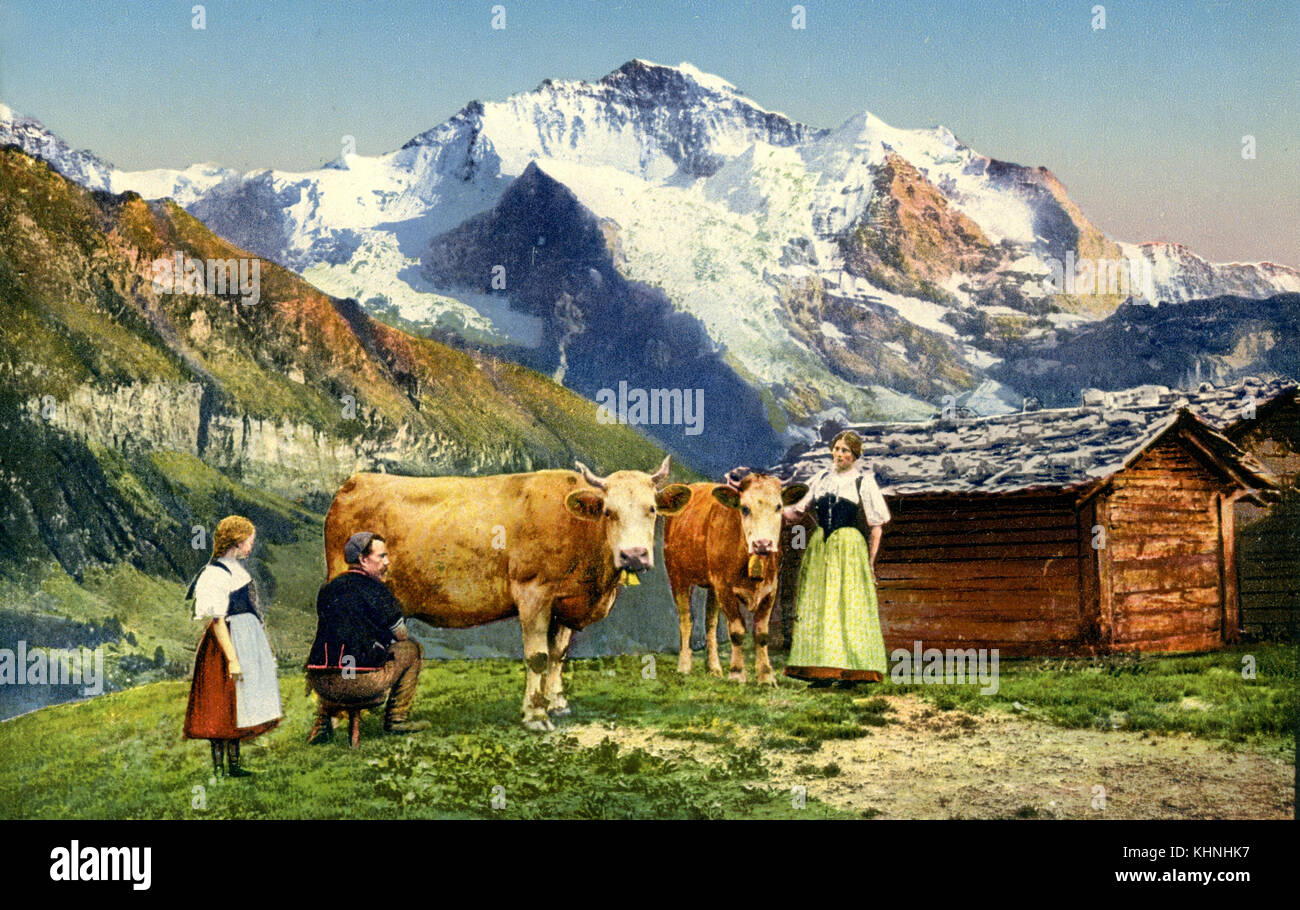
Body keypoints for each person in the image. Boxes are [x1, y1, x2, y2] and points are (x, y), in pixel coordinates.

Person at [782, 431, 891, 688]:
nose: (839, 454)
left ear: (854, 456)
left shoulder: (863, 481)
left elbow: (876, 526)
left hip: (849, 548)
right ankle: (821, 670)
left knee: (847, 606)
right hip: (821, 546)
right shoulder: (821, 478)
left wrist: (870, 562)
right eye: (837, 449)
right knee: (818, 605)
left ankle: (851, 671)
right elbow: (797, 511)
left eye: (845, 451)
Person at [305, 532, 428, 742]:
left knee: (336, 656)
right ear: (363, 560)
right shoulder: (378, 590)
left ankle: (323, 720)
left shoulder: (327, 588)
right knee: (411, 649)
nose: (387, 562)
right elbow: (401, 635)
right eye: (381, 557)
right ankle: (396, 719)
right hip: (359, 682)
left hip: (321, 683)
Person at [184, 515, 282, 777]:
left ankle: (235, 765)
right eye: (249, 541)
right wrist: (232, 659)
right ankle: (219, 770)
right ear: (237, 542)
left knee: (239, 705)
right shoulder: (214, 574)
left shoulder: (237, 570)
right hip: (226, 645)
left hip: (246, 639)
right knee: (221, 704)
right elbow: (217, 621)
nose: (251, 546)